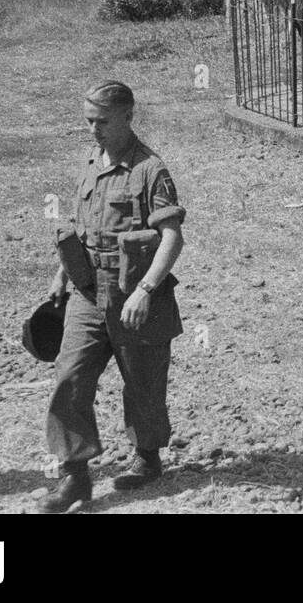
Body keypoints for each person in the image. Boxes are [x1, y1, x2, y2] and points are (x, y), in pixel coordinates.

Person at [38, 81, 185, 513]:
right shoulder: (89, 162)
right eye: (88, 121)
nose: (93, 130)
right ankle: (75, 476)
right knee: (70, 376)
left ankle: (148, 456)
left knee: (142, 382)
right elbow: (82, 227)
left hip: (132, 292)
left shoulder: (150, 169)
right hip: (88, 291)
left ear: (127, 116)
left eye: (102, 121)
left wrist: (145, 290)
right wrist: (61, 275)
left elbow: (171, 238)